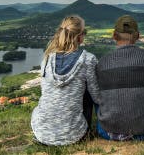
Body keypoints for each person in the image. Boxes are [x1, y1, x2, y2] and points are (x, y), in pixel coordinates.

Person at [95, 15, 144, 141]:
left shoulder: (102, 62)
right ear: (138, 36)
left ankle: (113, 120)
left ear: (114, 35)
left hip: (107, 131)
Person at [31, 15, 100, 146]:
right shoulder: (88, 59)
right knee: (87, 91)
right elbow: (97, 97)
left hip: (42, 134)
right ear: (79, 36)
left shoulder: (46, 59)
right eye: (84, 32)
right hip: (75, 135)